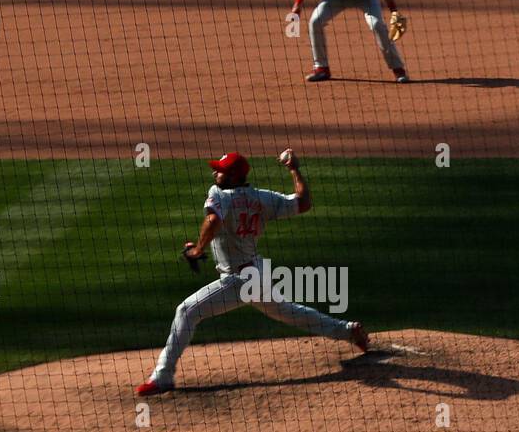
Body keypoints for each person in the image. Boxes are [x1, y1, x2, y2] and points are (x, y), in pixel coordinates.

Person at [136, 150, 369, 396]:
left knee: (186, 311)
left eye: (221, 170)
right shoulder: (262, 198)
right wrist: (294, 169)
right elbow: (304, 202)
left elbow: (213, 220)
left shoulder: (219, 195)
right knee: (288, 312)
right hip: (257, 273)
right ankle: (348, 330)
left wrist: (197, 250)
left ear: (234, 176)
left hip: (238, 281)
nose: (215, 172)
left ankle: (162, 376)